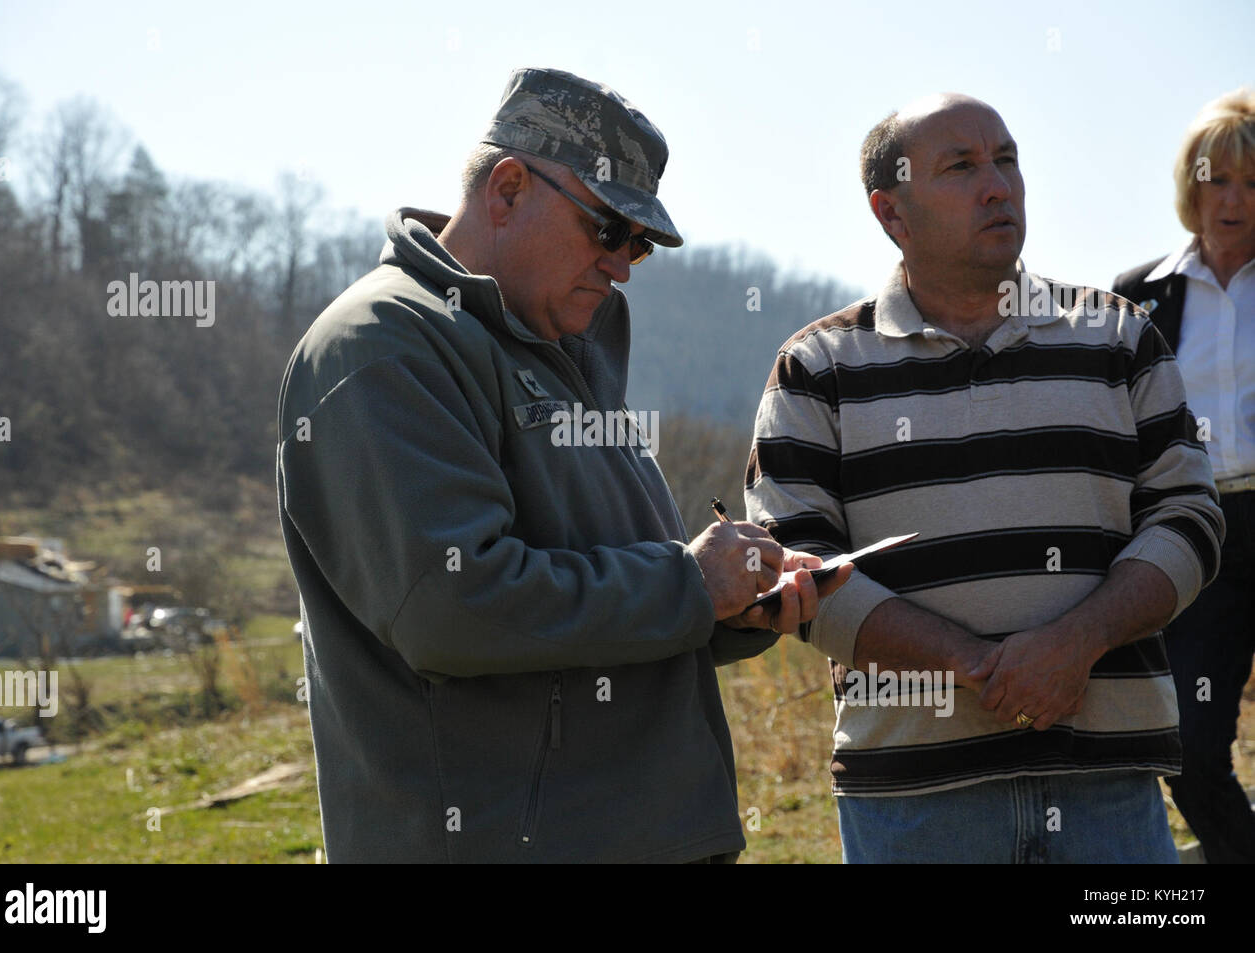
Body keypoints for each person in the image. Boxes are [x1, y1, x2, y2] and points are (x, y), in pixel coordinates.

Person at [275, 67, 845, 863]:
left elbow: (592, 600)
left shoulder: (556, 346)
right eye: (609, 230)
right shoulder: (382, 346)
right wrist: (688, 585)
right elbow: (454, 606)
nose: (623, 264)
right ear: (507, 188)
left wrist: (725, 609)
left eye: (640, 245)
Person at [745, 93, 1225, 863]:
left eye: (1006, 158)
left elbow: (1190, 520)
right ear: (890, 213)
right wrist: (979, 667)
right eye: (961, 167)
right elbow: (792, 566)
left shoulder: (1120, 337)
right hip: (915, 800)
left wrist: (1078, 641)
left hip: (1107, 786)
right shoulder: (816, 368)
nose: (998, 184)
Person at [1112, 87, 1255, 864]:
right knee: (1190, 749)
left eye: (1252, 182)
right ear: (1188, 184)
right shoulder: (1136, 298)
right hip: (1194, 534)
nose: (1231, 200)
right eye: (1215, 177)